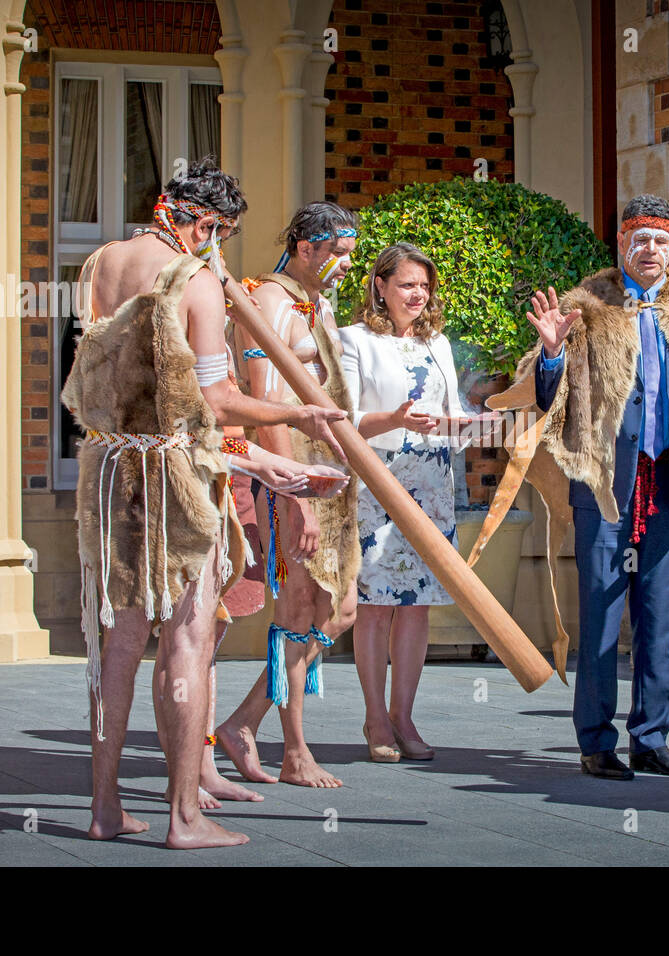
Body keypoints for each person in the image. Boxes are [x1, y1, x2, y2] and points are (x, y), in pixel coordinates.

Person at [60, 158, 346, 848]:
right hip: (173, 471)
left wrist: (273, 465)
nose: (222, 248)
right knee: (186, 638)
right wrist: (306, 423)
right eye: (223, 234)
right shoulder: (197, 282)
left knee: (119, 641)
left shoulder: (99, 263)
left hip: (107, 466)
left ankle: (104, 808)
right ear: (208, 225)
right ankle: (183, 817)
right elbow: (216, 402)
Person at [527, 194, 669, 780]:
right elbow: (549, 398)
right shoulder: (585, 307)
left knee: (657, 614)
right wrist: (552, 353)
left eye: (661, 240)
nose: (650, 249)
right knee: (603, 613)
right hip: (605, 485)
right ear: (622, 244)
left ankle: (652, 737)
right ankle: (596, 742)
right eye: (639, 238)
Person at [216, 201, 361, 789]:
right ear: (306, 248)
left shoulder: (317, 302)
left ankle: (244, 721)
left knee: (341, 608)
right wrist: (292, 494)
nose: (348, 265)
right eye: (340, 252)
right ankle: (295, 750)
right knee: (299, 608)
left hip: (328, 473)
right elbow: (269, 406)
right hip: (289, 476)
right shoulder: (269, 303)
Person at [339, 243, 473, 762]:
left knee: (416, 606)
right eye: (406, 284)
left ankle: (404, 716)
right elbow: (344, 421)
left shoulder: (437, 343)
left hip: (432, 484)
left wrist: (466, 423)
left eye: (424, 285)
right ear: (380, 285)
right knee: (375, 605)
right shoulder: (354, 341)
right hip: (377, 485)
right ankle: (375, 718)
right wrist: (394, 420)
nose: (418, 294)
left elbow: (451, 410)